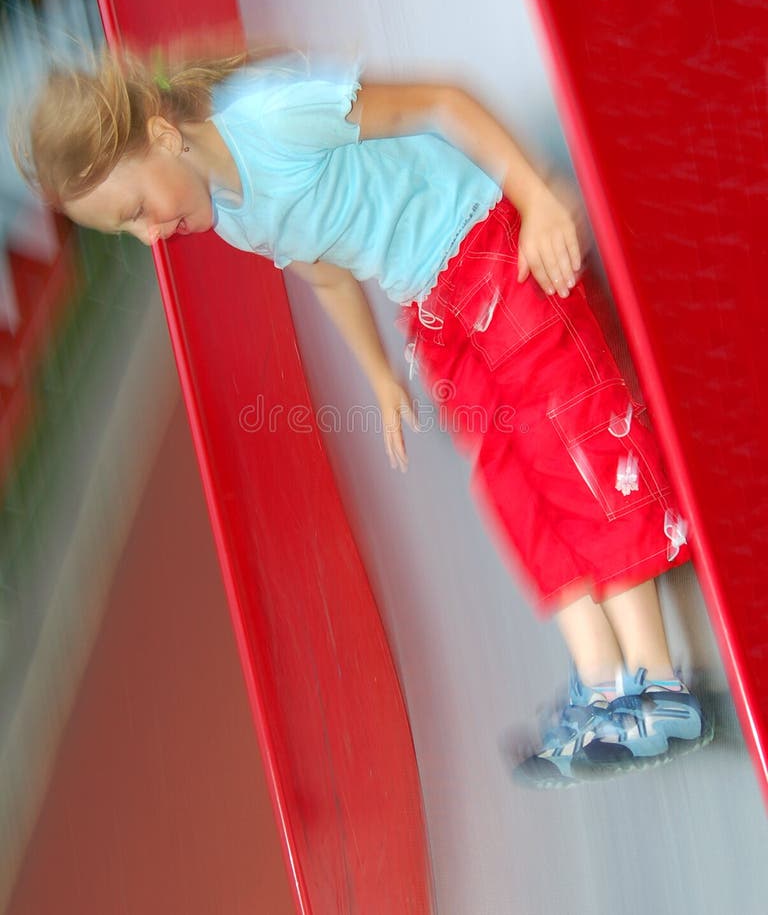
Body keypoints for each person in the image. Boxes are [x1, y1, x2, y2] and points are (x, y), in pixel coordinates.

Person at [13, 46, 712, 787]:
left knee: (566, 445)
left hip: (486, 243)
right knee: (514, 487)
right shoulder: (231, 216)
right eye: (126, 231)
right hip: (433, 305)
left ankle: (659, 684)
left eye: (134, 210)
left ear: (159, 136)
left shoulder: (274, 117)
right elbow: (325, 266)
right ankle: (604, 684)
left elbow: (442, 96)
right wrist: (379, 372)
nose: (149, 234)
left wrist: (535, 193)